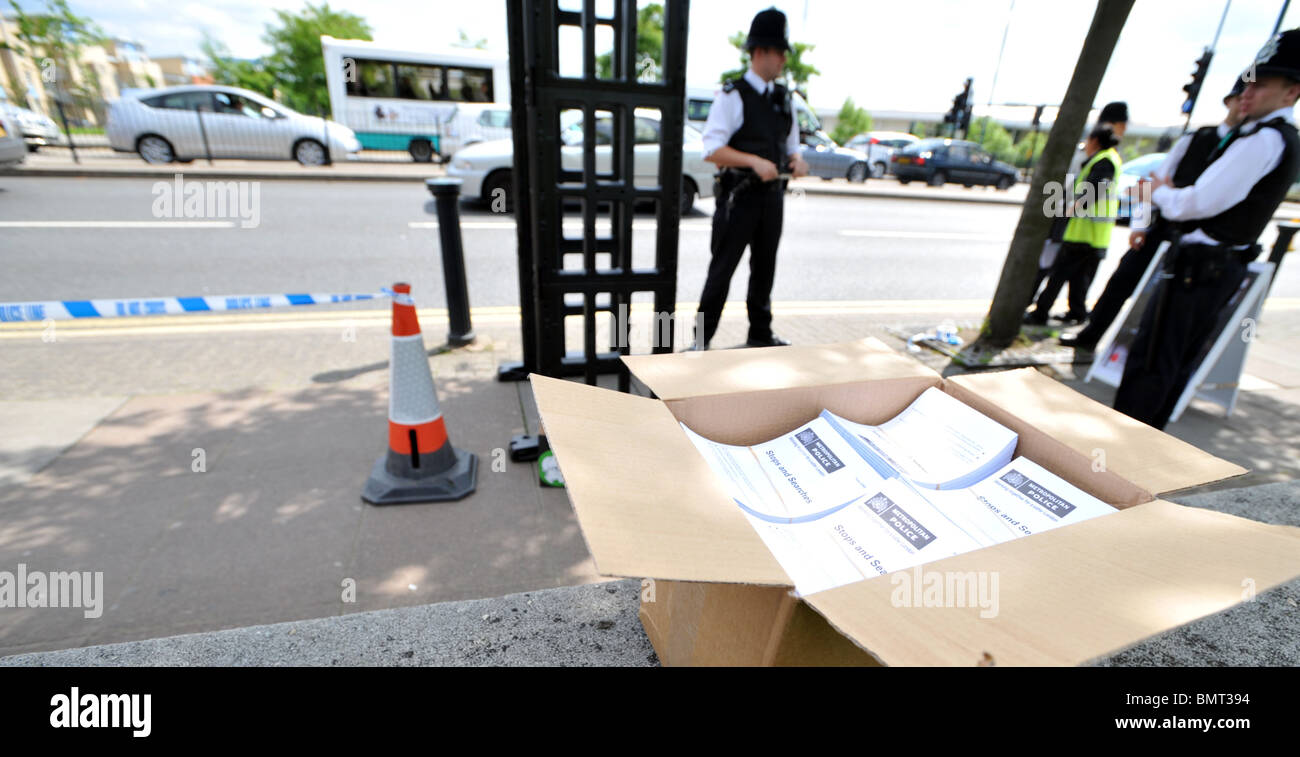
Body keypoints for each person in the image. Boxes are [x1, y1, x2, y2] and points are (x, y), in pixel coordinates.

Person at [1113, 30, 1300, 429]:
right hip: (1202, 266)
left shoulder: (1263, 140)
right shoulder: (1259, 136)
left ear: (1291, 93)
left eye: (1261, 85)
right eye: (1246, 86)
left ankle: (1125, 451)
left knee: (1155, 363)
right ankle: (1134, 446)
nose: (1247, 95)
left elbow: (1193, 203)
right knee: (1164, 360)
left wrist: (1164, 195)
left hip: (1201, 269)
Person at [1062, 79, 1247, 351]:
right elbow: (1152, 184)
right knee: (1120, 284)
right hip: (1160, 230)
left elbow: (1196, 200)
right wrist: (1140, 224)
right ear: (1229, 101)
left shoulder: (1247, 145)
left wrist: (1167, 194)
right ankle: (1091, 335)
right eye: (1241, 97)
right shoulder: (1196, 139)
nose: (1246, 103)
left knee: (1164, 304)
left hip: (1198, 244)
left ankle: (1137, 350)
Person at [692, 7, 810, 350]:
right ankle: (700, 342)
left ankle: (760, 334)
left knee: (764, 271)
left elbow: (792, 146)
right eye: (780, 53)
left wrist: (797, 161)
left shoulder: (785, 99)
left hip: (772, 198)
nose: (784, 60)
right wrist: (754, 161)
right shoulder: (732, 95)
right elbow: (711, 149)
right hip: (738, 197)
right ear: (761, 52)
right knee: (721, 272)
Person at [1024, 124, 1122, 325]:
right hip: (1093, 233)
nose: (1086, 144)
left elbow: (1095, 190)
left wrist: (1071, 209)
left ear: (1095, 140)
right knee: (1078, 276)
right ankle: (1077, 312)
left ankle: (1040, 312)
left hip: (1082, 232)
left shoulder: (1103, 161)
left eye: (1088, 139)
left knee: (1059, 273)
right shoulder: (1110, 158)